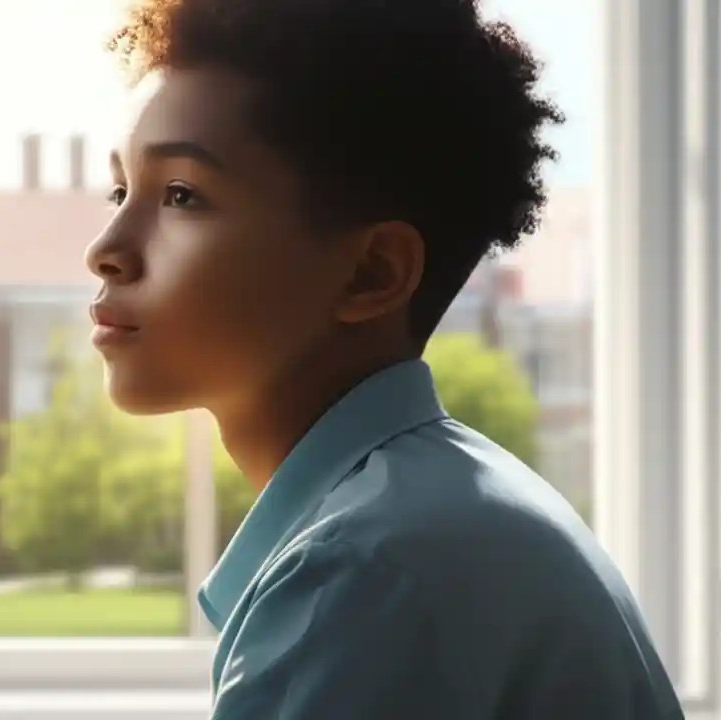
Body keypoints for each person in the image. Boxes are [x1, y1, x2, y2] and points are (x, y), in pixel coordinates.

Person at [83, 0, 685, 717]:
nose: (106, 250)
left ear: (371, 273)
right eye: (121, 190)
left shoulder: (367, 567)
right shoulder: (437, 508)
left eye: (182, 194)